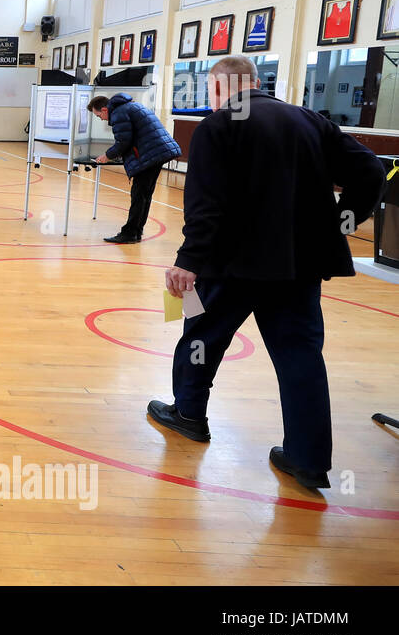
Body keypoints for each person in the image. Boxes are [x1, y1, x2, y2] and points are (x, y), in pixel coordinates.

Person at [148, 56, 385, 491]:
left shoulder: (217, 127)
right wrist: (342, 223)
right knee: (300, 358)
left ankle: (189, 414)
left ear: (217, 90)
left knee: (201, 337)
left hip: (232, 264)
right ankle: (307, 459)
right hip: (297, 266)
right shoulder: (310, 120)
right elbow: (371, 170)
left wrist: (188, 261)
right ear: (258, 83)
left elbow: (205, 207)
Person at [89, 93, 182, 243]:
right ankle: (136, 231)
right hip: (159, 152)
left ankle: (130, 233)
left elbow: (123, 141)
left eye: (99, 115)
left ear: (105, 110)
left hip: (152, 155)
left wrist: (107, 156)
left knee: (139, 195)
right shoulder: (131, 106)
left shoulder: (119, 113)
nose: (100, 119)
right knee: (145, 195)